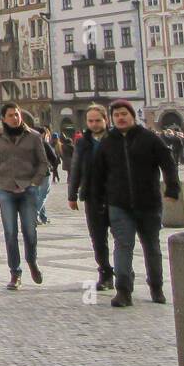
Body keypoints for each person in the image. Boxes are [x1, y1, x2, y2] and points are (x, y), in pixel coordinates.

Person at [90, 99, 181, 307]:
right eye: (116, 115)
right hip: (119, 204)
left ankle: (156, 287)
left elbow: (168, 163)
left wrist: (172, 188)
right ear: (112, 119)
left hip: (148, 202)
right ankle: (123, 290)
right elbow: (98, 174)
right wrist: (98, 201)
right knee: (123, 245)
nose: (120, 118)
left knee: (151, 246)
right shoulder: (107, 142)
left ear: (132, 115)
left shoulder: (149, 138)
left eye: (124, 114)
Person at [0, 102, 47, 291]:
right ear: (3, 118)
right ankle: (15, 272)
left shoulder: (34, 137)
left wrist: (35, 182)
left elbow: (43, 163)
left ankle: (32, 261)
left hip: (28, 189)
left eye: (17, 114)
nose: (15, 118)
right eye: (11, 115)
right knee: (10, 233)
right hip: (6, 189)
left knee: (30, 231)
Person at [68, 104, 114, 292]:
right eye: (90, 121)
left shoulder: (115, 139)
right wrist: (72, 194)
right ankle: (105, 272)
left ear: (105, 120)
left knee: (121, 237)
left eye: (97, 120)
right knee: (98, 237)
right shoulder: (82, 142)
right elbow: (76, 168)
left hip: (116, 195)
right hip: (92, 195)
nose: (94, 124)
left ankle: (124, 272)